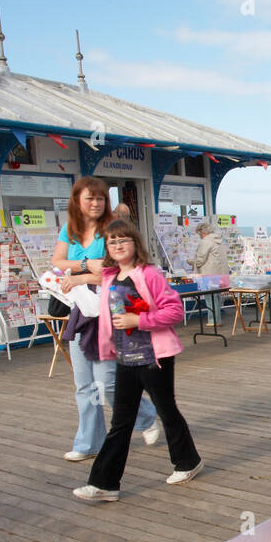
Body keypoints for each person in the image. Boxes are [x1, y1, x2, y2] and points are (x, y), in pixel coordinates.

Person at [73, 219, 201, 502]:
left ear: (135, 243)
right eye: (112, 241)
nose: (118, 245)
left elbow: (174, 311)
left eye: (123, 240)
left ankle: (188, 462)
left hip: (154, 357)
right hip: (124, 358)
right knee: (121, 421)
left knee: (166, 410)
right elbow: (78, 267)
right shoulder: (108, 276)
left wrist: (138, 320)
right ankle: (104, 484)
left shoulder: (150, 274)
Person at [54, 176, 158, 462]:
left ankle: (146, 415)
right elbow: (58, 261)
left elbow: (120, 268)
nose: (96, 203)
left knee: (107, 382)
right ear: (77, 200)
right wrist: (88, 266)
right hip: (82, 311)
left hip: (110, 312)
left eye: (100, 198)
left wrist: (82, 276)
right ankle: (89, 442)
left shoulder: (113, 229)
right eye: (89, 198)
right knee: (83, 383)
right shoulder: (70, 229)